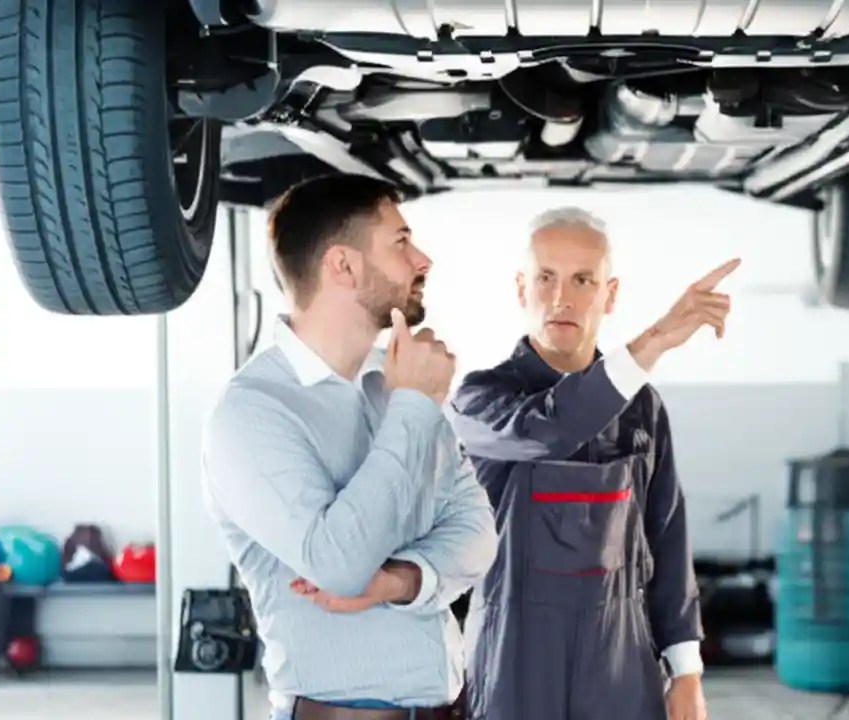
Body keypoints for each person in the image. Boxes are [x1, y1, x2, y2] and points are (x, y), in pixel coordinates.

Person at [200, 174, 497, 720]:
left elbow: (478, 534)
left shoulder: (398, 381)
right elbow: (337, 563)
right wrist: (413, 409)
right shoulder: (252, 413)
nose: (423, 259)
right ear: (343, 265)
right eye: (401, 242)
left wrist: (396, 582)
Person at [448, 207, 740, 720]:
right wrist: (656, 340)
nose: (562, 297)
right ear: (521, 289)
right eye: (546, 278)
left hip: (621, 670)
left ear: (609, 295)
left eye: (583, 280)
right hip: (513, 668)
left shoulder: (643, 409)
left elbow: (668, 541)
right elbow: (549, 430)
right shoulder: (481, 398)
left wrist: (687, 672)